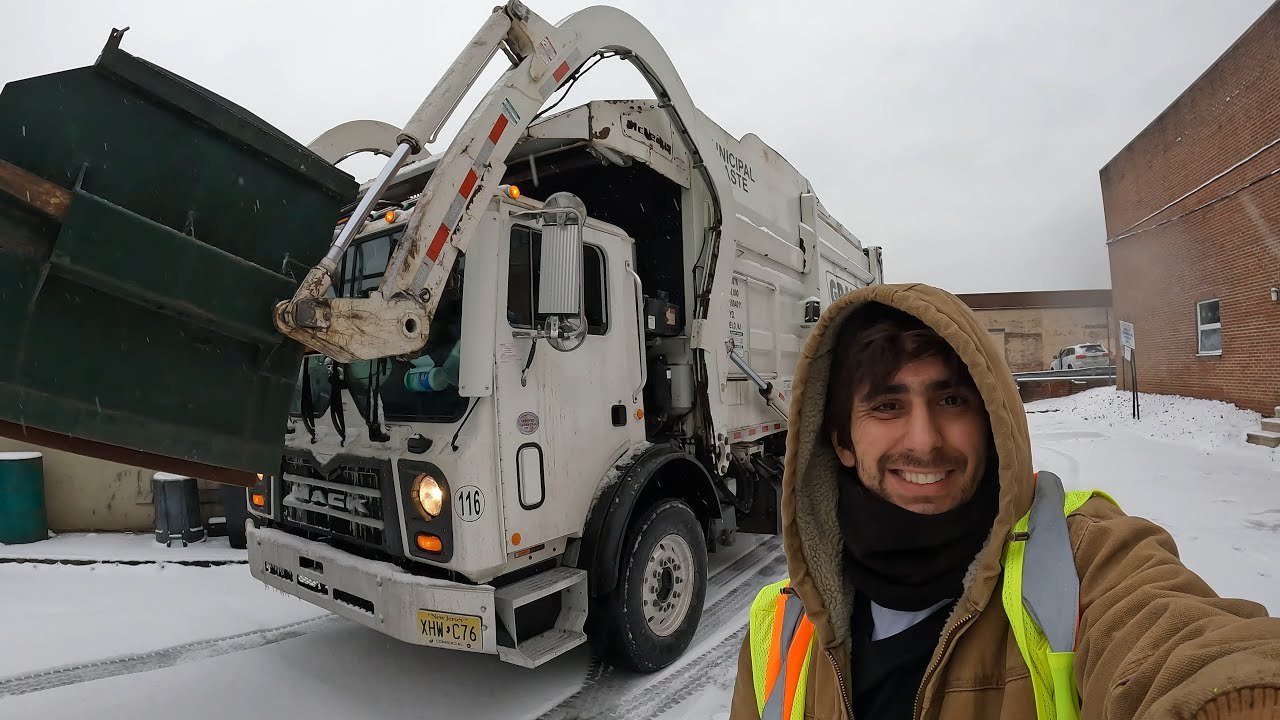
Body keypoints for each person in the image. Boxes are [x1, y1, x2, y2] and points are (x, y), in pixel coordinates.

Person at [730, 284, 1280, 720]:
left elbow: (1177, 642)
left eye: (950, 400)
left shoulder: (1079, 563)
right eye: (888, 406)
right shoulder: (781, 631)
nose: (924, 441)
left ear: (990, 422)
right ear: (842, 443)